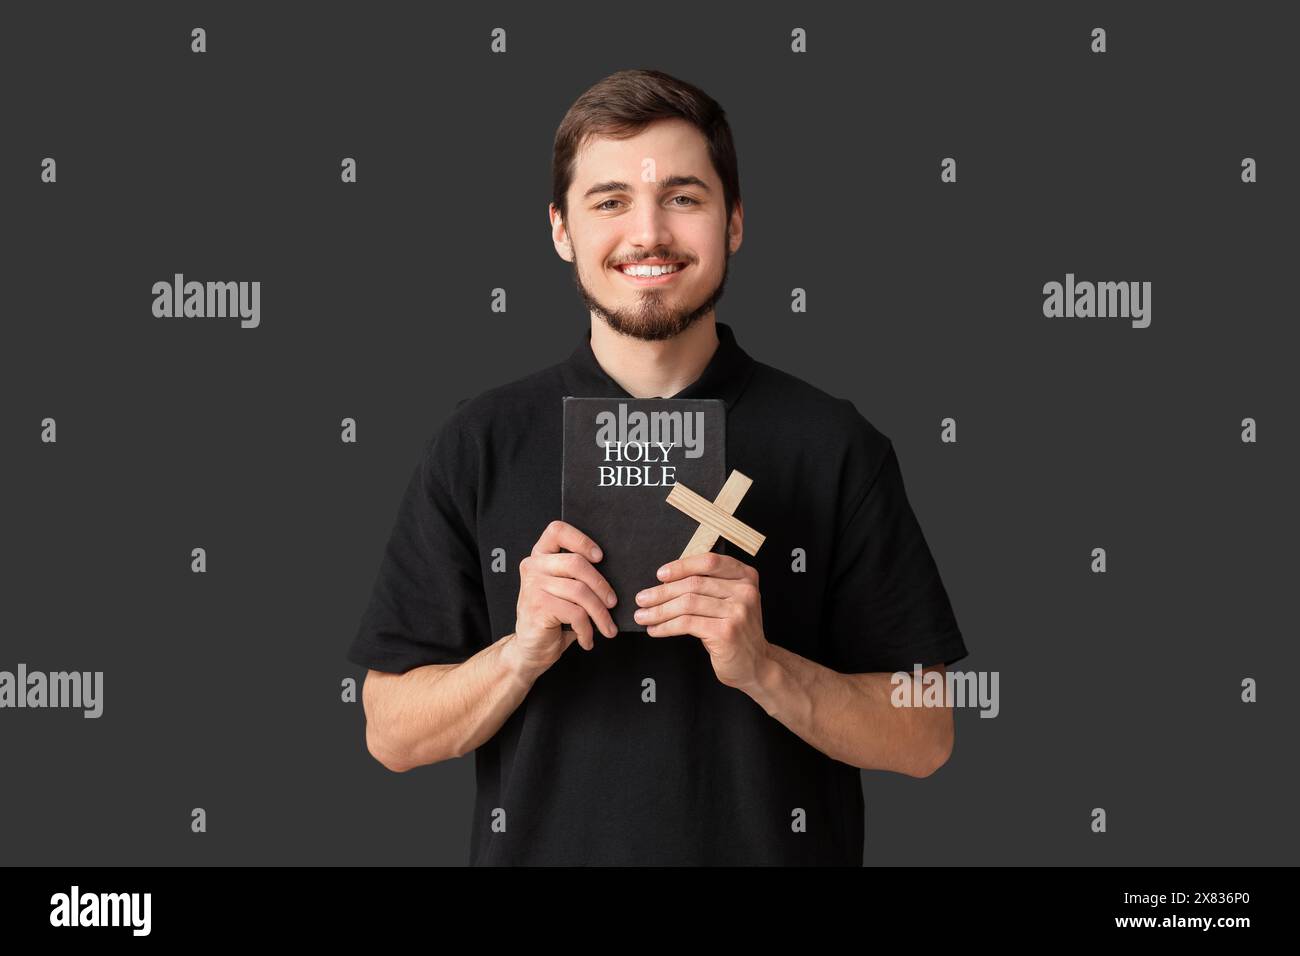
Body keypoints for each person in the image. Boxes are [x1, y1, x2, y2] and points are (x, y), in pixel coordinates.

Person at [347, 69, 968, 865]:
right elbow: (389, 732)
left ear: (734, 222)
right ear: (560, 230)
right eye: (609, 201)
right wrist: (519, 653)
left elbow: (928, 733)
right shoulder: (478, 442)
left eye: (683, 197)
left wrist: (765, 668)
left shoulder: (835, 444)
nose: (649, 235)